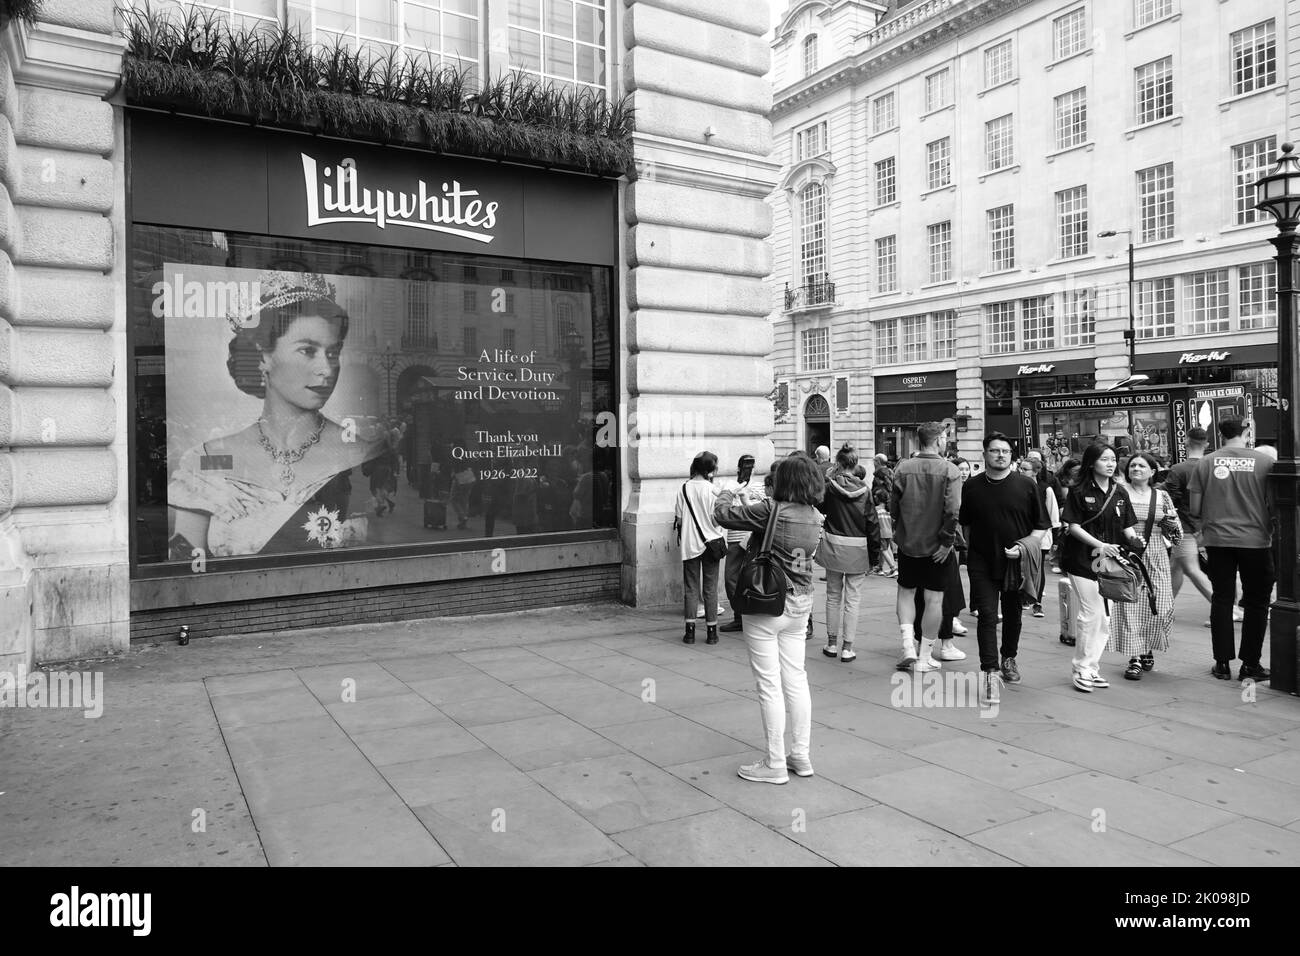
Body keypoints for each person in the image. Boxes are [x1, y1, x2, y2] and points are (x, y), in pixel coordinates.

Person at [169, 271, 384, 558]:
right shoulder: (208, 459)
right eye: (308, 350)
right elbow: (185, 562)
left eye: (333, 353)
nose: (327, 369)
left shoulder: (358, 452)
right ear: (263, 357)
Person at [715, 453, 825, 784]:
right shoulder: (816, 516)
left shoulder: (771, 510)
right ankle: (801, 755)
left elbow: (722, 515)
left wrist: (729, 491)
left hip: (767, 602)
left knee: (768, 684)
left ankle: (775, 762)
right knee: (796, 678)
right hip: (801, 603)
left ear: (785, 480)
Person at [960, 432, 1049, 702]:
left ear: (1011, 456)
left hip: (1016, 564)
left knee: (1013, 615)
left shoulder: (1026, 485)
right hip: (981, 561)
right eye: (995, 451)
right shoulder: (972, 486)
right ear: (984, 454)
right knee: (987, 616)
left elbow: (1041, 526)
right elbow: (966, 525)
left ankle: (1009, 658)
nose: (1001, 455)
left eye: (1006, 451)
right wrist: (975, 549)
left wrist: (1023, 548)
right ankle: (990, 672)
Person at [1189, 419, 1274, 682]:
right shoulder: (1264, 462)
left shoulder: (1205, 462)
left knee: (1222, 599)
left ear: (1220, 435)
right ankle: (1250, 664)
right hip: (1255, 540)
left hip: (1217, 540)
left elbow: (1194, 508)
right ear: (1247, 433)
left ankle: (1222, 663)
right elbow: (1273, 504)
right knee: (1257, 602)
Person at [1060, 443, 1145, 693]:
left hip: (1110, 562)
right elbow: (1073, 526)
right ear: (1091, 463)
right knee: (1091, 613)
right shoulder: (1078, 491)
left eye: (1113, 459)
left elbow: (1127, 526)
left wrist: (1135, 540)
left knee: (1105, 618)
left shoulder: (1120, 492)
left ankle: (1091, 667)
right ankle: (1081, 668)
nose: (1110, 464)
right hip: (1082, 559)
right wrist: (1101, 545)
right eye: (1104, 459)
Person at [891, 422, 962, 672]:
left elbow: (894, 507)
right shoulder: (950, 470)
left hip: (908, 542)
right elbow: (952, 511)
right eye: (945, 437)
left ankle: (907, 645)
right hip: (936, 547)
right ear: (939, 439)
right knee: (934, 600)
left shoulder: (903, 468)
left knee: (906, 592)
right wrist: (946, 541)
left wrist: (900, 531)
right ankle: (924, 656)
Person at [1110, 453, 1180, 681]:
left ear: (1152, 471)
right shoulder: (1118, 492)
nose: (1136, 469)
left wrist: (1170, 525)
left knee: (1161, 605)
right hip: (1128, 556)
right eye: (1132, 465)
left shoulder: (1162, 496)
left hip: (1157, 555)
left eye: (1141, 465)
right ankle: (1135, 658)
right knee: (1130, 605)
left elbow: (1177, 533)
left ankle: (1147, 646)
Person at [816, 443, 881, 663]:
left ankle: (832, 643)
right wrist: (875, 556)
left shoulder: (829, 486)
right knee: (853, 599)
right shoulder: (865, 490)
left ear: (838, 462)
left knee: (833, 596)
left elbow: (821, 507)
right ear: (855, 464)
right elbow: (872, 524)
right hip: (858, 549)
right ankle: (848, 647)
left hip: (834, 546)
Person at [1161, 427, 1218, 610]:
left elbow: (1171, 499)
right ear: (1206, 444)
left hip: (1185, 526)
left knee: (1191, 568)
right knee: (1176, 566)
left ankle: (1224, 607)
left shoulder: (1178, 469)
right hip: (1211, 523)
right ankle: (1163, 607)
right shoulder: (1213, 466)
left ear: (1186, 441)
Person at [674, 452, 725, 645]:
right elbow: (716, 519)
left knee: (691, 588)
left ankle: (689, 633)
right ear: (710, 469)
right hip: (711, 543)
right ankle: (712, 633)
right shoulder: (712, 490)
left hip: (690, 544)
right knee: (710, 589)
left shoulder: (684, 489)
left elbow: (679, 519)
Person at [720, 455, 764, 633]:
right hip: (734, 537)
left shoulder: (759, 486)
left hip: (750, 537)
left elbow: (762, 510)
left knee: (750, 578)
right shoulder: (731, 485)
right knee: (731, 579)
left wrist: (747, 498)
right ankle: (740, 615)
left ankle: (750, 616)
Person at [1017, 458, 1058, 617]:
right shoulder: (1017, 486)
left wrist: (1051, 537)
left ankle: (1037, 602)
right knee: (1022, 568)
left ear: (1035, 471)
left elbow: (1052, 515)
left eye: (1025, 469)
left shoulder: (1045, 489)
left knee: (1038, 570)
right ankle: (1024, 597)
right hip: (1021, 535)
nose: (1021, 471)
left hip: (1041, 536)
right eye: (1020, 468)